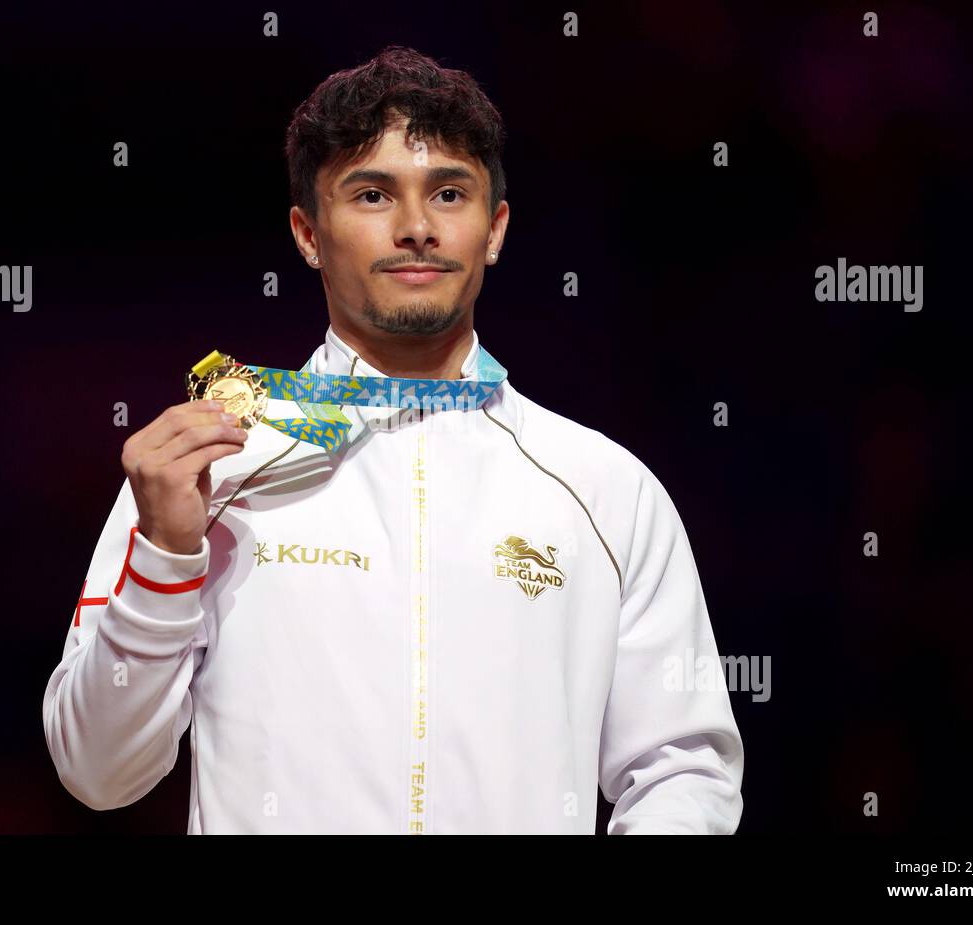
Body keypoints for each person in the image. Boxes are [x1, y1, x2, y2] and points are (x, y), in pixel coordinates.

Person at [42, 45, 744, 834]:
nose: (416, 228)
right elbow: (98, 773)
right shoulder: (204, 472)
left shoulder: (607, 490)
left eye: (449, 192)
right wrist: (167, 555)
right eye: (373, 194)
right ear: (308, 233)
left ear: (495, 228)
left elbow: (685, 769)